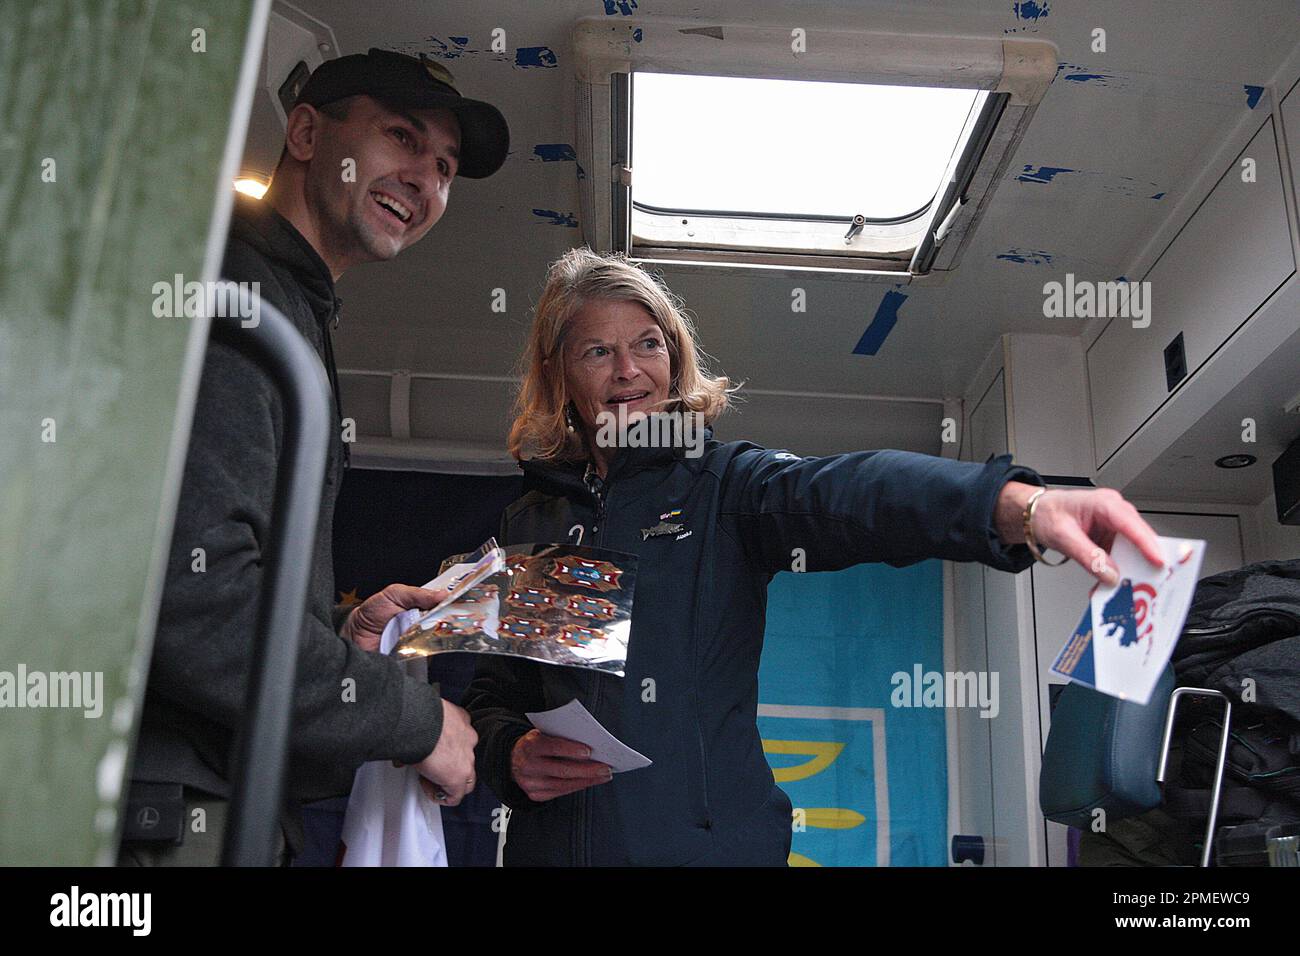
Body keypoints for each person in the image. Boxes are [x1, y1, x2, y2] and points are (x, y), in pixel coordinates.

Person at [464, 248, 1166, 866]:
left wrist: (1014, 507)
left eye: (647, 344)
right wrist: (508, 754)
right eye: (598, 352)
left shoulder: (725, 488)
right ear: (559, 372)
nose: (628, 371)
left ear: (674, 356)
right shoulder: (533, 520)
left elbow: (855, 494)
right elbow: (496, 695)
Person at [120, 50, 509, 865]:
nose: (425, 180)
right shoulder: (231, 292)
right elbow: (189, 598)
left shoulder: (292, 310)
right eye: (401, 137)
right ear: (303, 131)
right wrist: (416, 721)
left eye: (443, 167)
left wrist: (338, 630)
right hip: (159, 814)